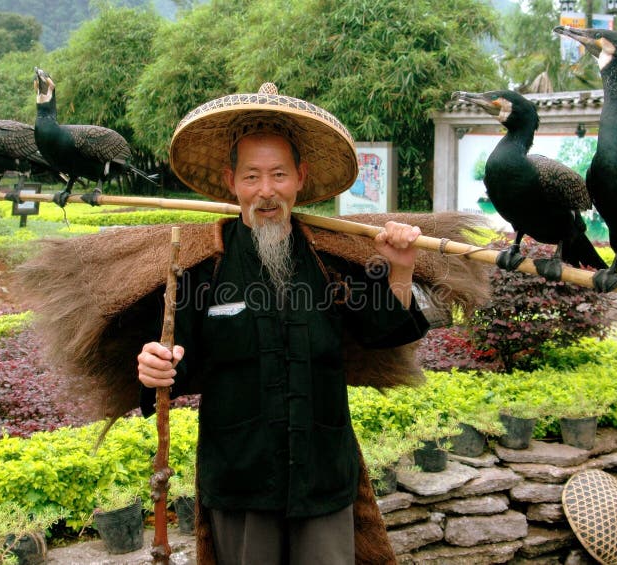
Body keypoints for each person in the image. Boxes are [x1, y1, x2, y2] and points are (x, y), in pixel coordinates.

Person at [137, 83, 429, 564]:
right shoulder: (200, 267)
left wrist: (399, 267)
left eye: (278, 174)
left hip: (323, 477)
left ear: (300, 177)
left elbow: (384, 331)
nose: (266, 191)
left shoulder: (330, 261)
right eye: (252, 176)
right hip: (242, 481)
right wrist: (153, 366)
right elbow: (172, 366)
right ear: (231, 181)